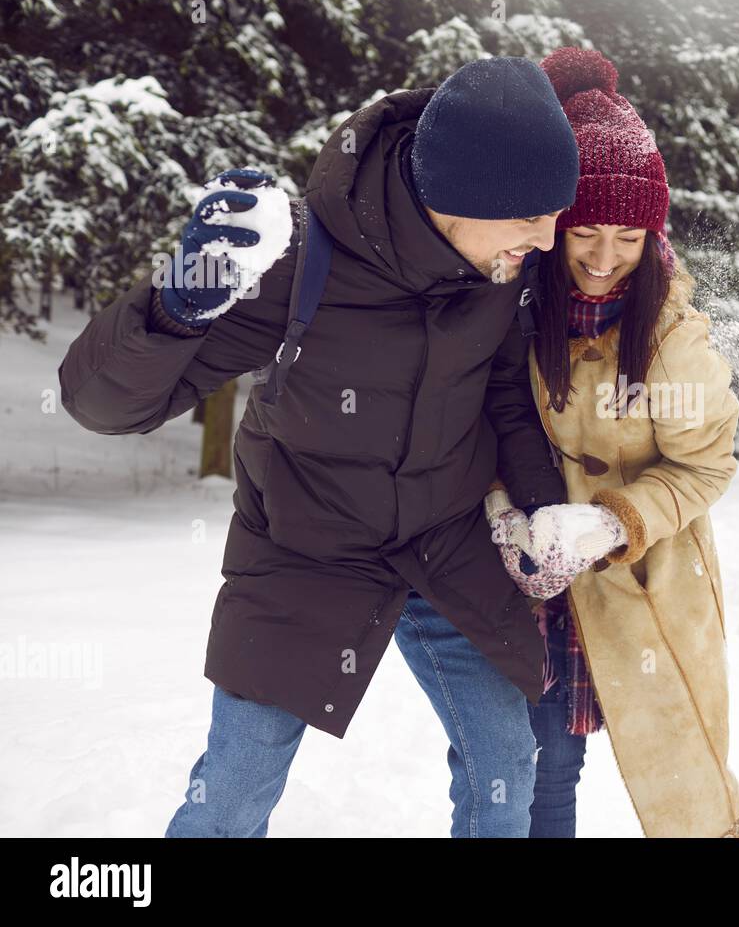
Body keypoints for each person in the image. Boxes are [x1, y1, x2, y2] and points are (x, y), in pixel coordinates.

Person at [59, 57, 582, 837]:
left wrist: (542, 500)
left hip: (445, 541)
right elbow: (98, 404)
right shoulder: (301, 258)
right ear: (456, 199)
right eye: (530, 217)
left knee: (505, 763)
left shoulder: (499, 269)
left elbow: (503, 389)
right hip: (306, 545)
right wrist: (174, 309)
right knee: (234, 789)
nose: (548, 239)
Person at [484, 47, 739, 838]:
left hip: (638, 576)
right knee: (521, 759)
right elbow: (489, 421)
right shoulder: (515, 309)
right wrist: (503, 509)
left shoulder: (672, 337)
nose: (605, 262)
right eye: (587, 234)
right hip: (527, 565)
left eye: (629, 238)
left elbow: (706, 465)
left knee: (669, 781)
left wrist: (612, 520)